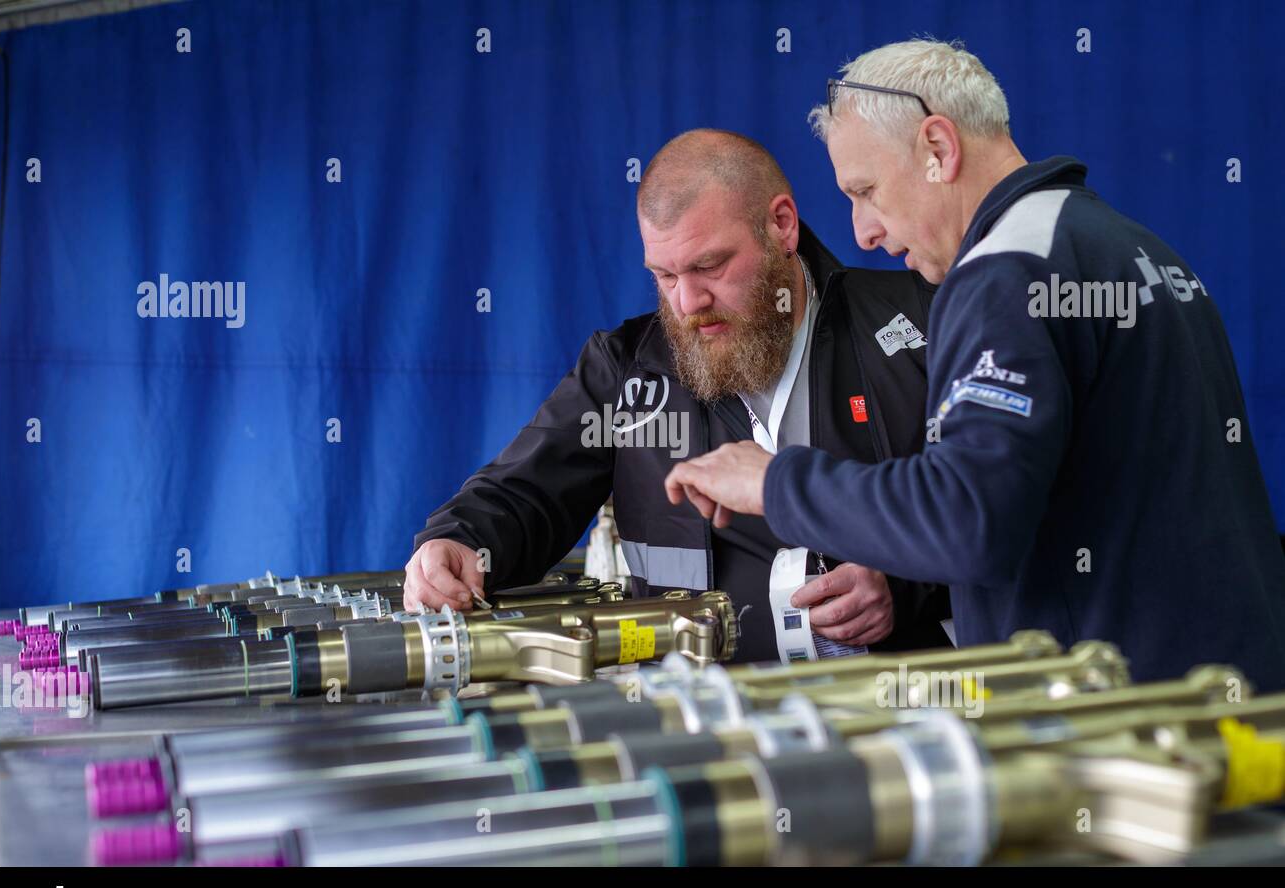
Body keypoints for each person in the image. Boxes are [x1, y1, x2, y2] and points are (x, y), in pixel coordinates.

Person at [663, 41, 1285, 688]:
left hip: (1127, 728)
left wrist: (773, 483)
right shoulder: (1139, 250)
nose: (862, 232)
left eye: (866, 190)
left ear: (938, 148)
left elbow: (968, 520)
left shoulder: (1005, 272)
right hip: (1228, 708)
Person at [406, 129, 950, 663]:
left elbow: (1004, 506)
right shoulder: (624, 370)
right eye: (664, 275)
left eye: (709, 266)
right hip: (698, 729)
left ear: (781, 224)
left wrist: (907, 586)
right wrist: (457, 540)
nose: (688, 302)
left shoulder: (921, 326)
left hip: (900, 721)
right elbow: (525, 492)